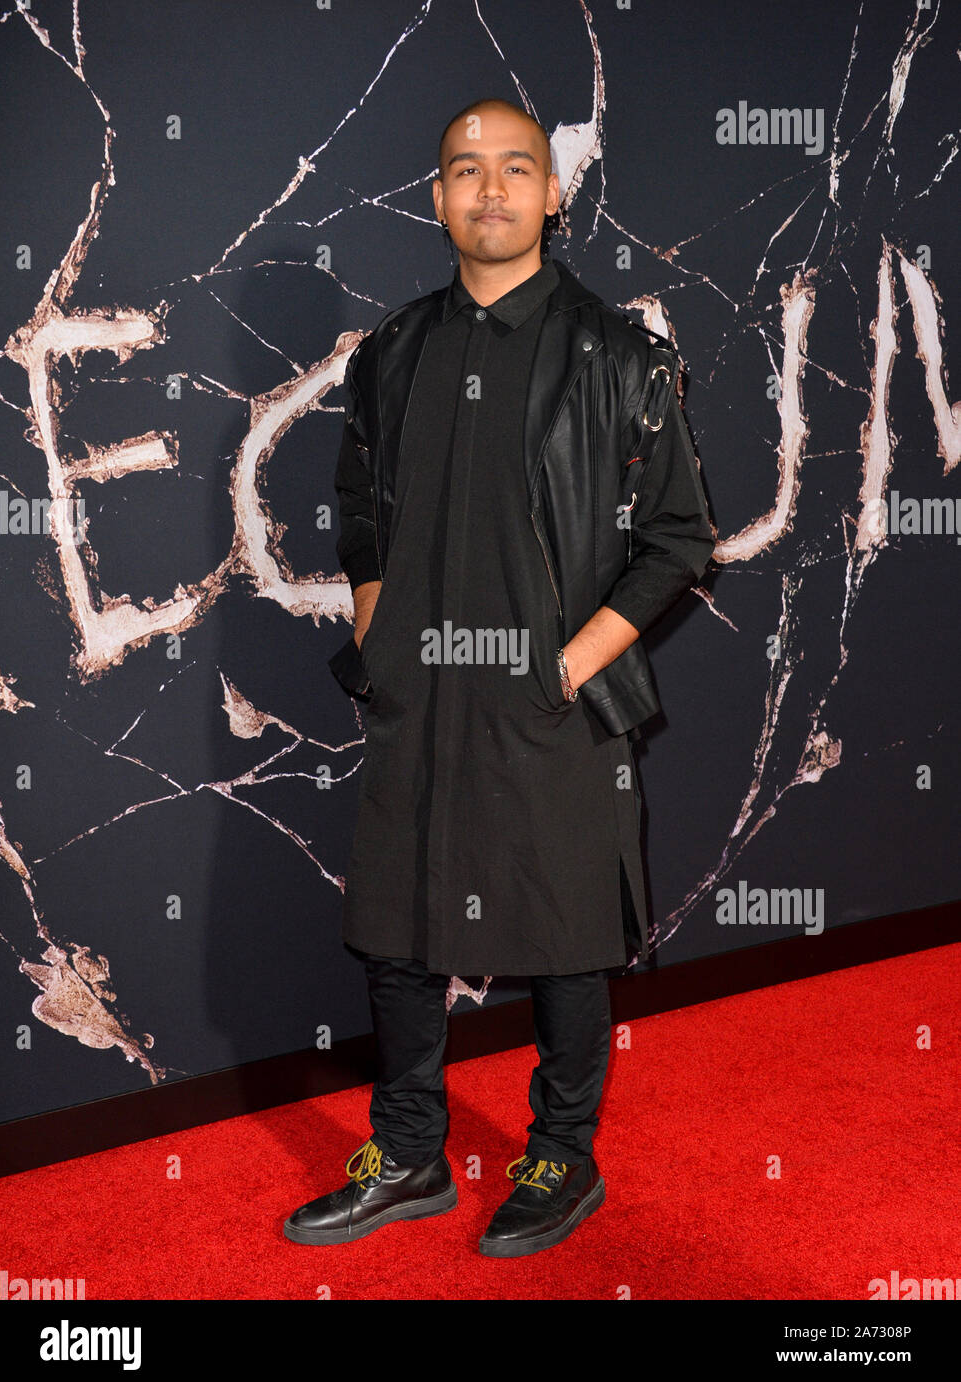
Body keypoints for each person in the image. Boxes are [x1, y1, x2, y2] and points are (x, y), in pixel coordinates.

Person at [284, 97, 714, 1258]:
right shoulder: (390, 353)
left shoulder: (618, 354)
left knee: (566, 934)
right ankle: (410, 1154)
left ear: (551, 195)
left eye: (514, 168)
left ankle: (560, 1159)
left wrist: (568, 665)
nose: (488, 189)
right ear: (434, 199)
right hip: (416, 693)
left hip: (549, 702)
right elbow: (358, 510)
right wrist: (375, 631)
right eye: (463, 170)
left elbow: (679, 538)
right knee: (398, 932)